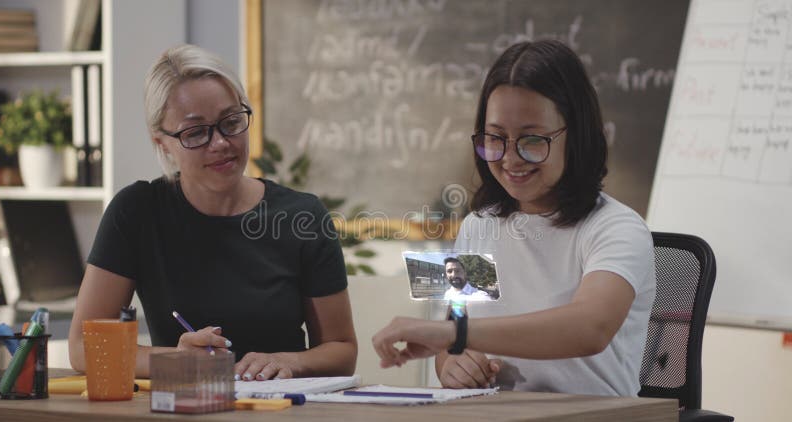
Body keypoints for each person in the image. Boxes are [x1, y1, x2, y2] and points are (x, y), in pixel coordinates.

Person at [372, 39, 655, 397]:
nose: (509, 159)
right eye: (495, 138)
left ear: (576, 136)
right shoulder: (477, 225)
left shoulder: (617, 227)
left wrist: (452, 336)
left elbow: (590, 328)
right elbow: (449, 339)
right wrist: (453, 364)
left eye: (531, 139)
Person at [68, 44, 357, 380]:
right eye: (195, 132)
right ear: (162, 143)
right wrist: (175, 360)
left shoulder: (301, 216)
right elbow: (82, 347)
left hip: (280, 410)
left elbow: (341, 349)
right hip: (182, 409)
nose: (220, 143)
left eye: (231, 121)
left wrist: (291, 361)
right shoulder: (137, 212)